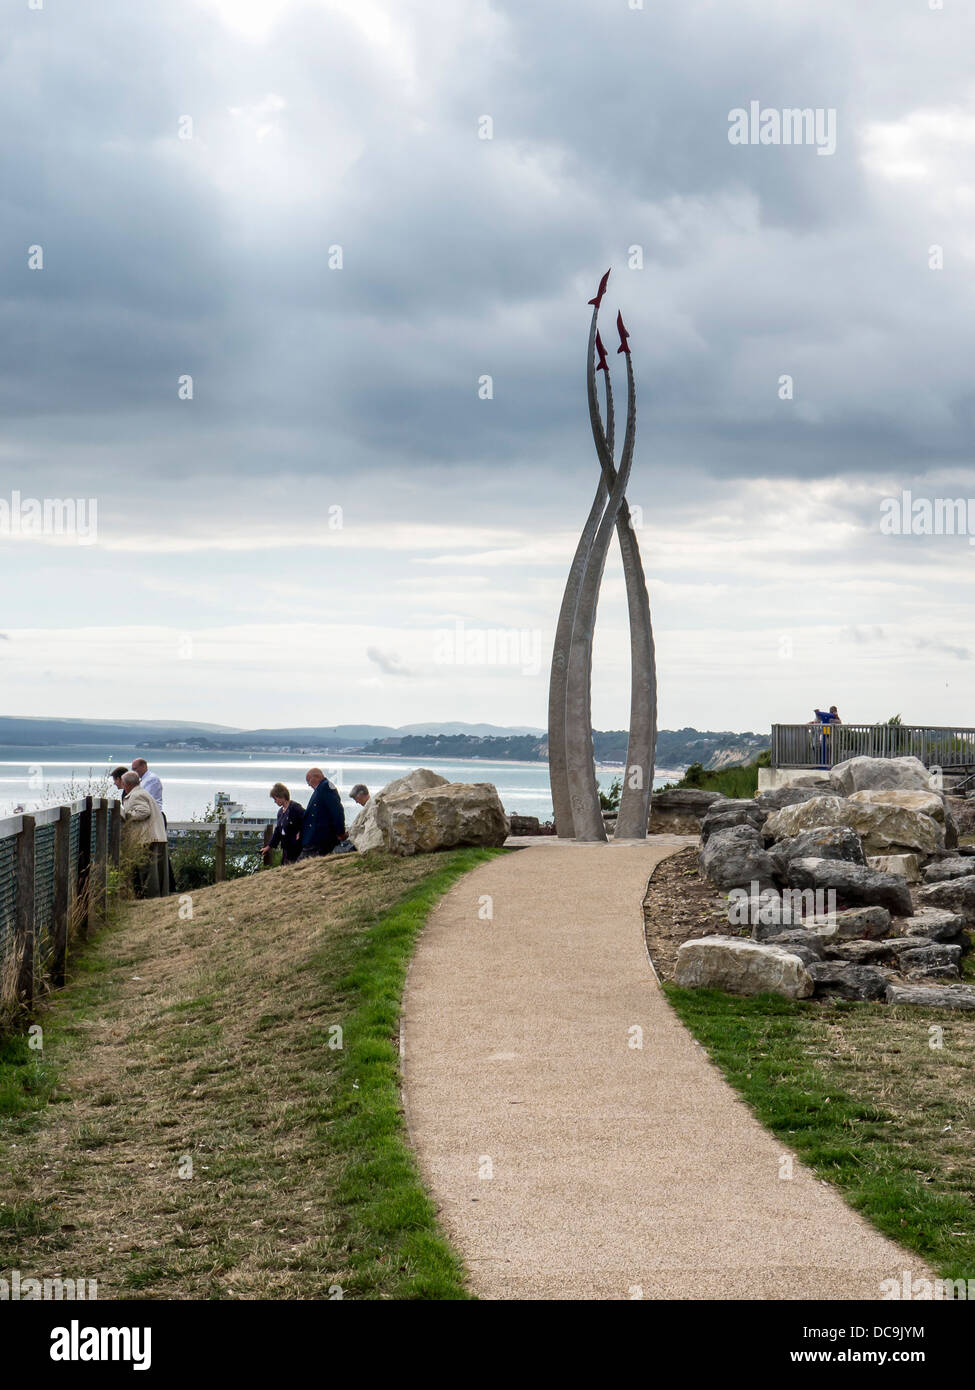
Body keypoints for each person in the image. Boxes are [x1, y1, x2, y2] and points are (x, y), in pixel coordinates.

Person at [119, 770, 169, 898]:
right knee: (155, 872)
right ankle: (154, 896)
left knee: (147, 871)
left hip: (146, 838)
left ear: (126, 784)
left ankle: (149, 897)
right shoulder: (142, 792)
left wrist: (126, 816)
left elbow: (143, 812)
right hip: (154, 836)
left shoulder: (136, 795)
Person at [299, 768, 346, 858]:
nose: (308, 785)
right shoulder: (320, 789)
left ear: (316, 777)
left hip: (320, 837)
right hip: (314, 838)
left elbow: (337, 811)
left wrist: (340, 832)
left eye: (308, 780)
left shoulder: (326, 787)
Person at [261, 783, 305, 866]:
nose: (275, 801)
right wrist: (268, 847)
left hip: (297, 848)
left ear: (281, 796)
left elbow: (306, 820)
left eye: (275, 798)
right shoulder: (280, 812)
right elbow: (278, 831)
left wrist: (301, 832)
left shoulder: (295, 808)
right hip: (286, 849)